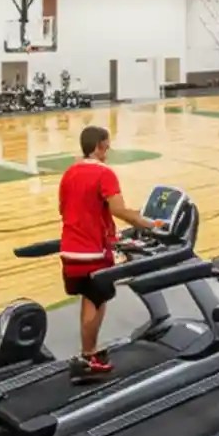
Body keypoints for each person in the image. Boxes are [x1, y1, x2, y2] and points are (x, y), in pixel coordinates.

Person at [58, 126, 159, 384]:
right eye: (107, 145)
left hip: (69, 249)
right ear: (98, 146)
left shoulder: (69, 173)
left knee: (89, 298)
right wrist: (149, 224)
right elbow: (118, 209)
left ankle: (89, 351)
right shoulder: (105, 173)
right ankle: (87, 357)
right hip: (92, 251)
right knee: (97, 300)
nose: (108, 150)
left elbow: (65, 209)